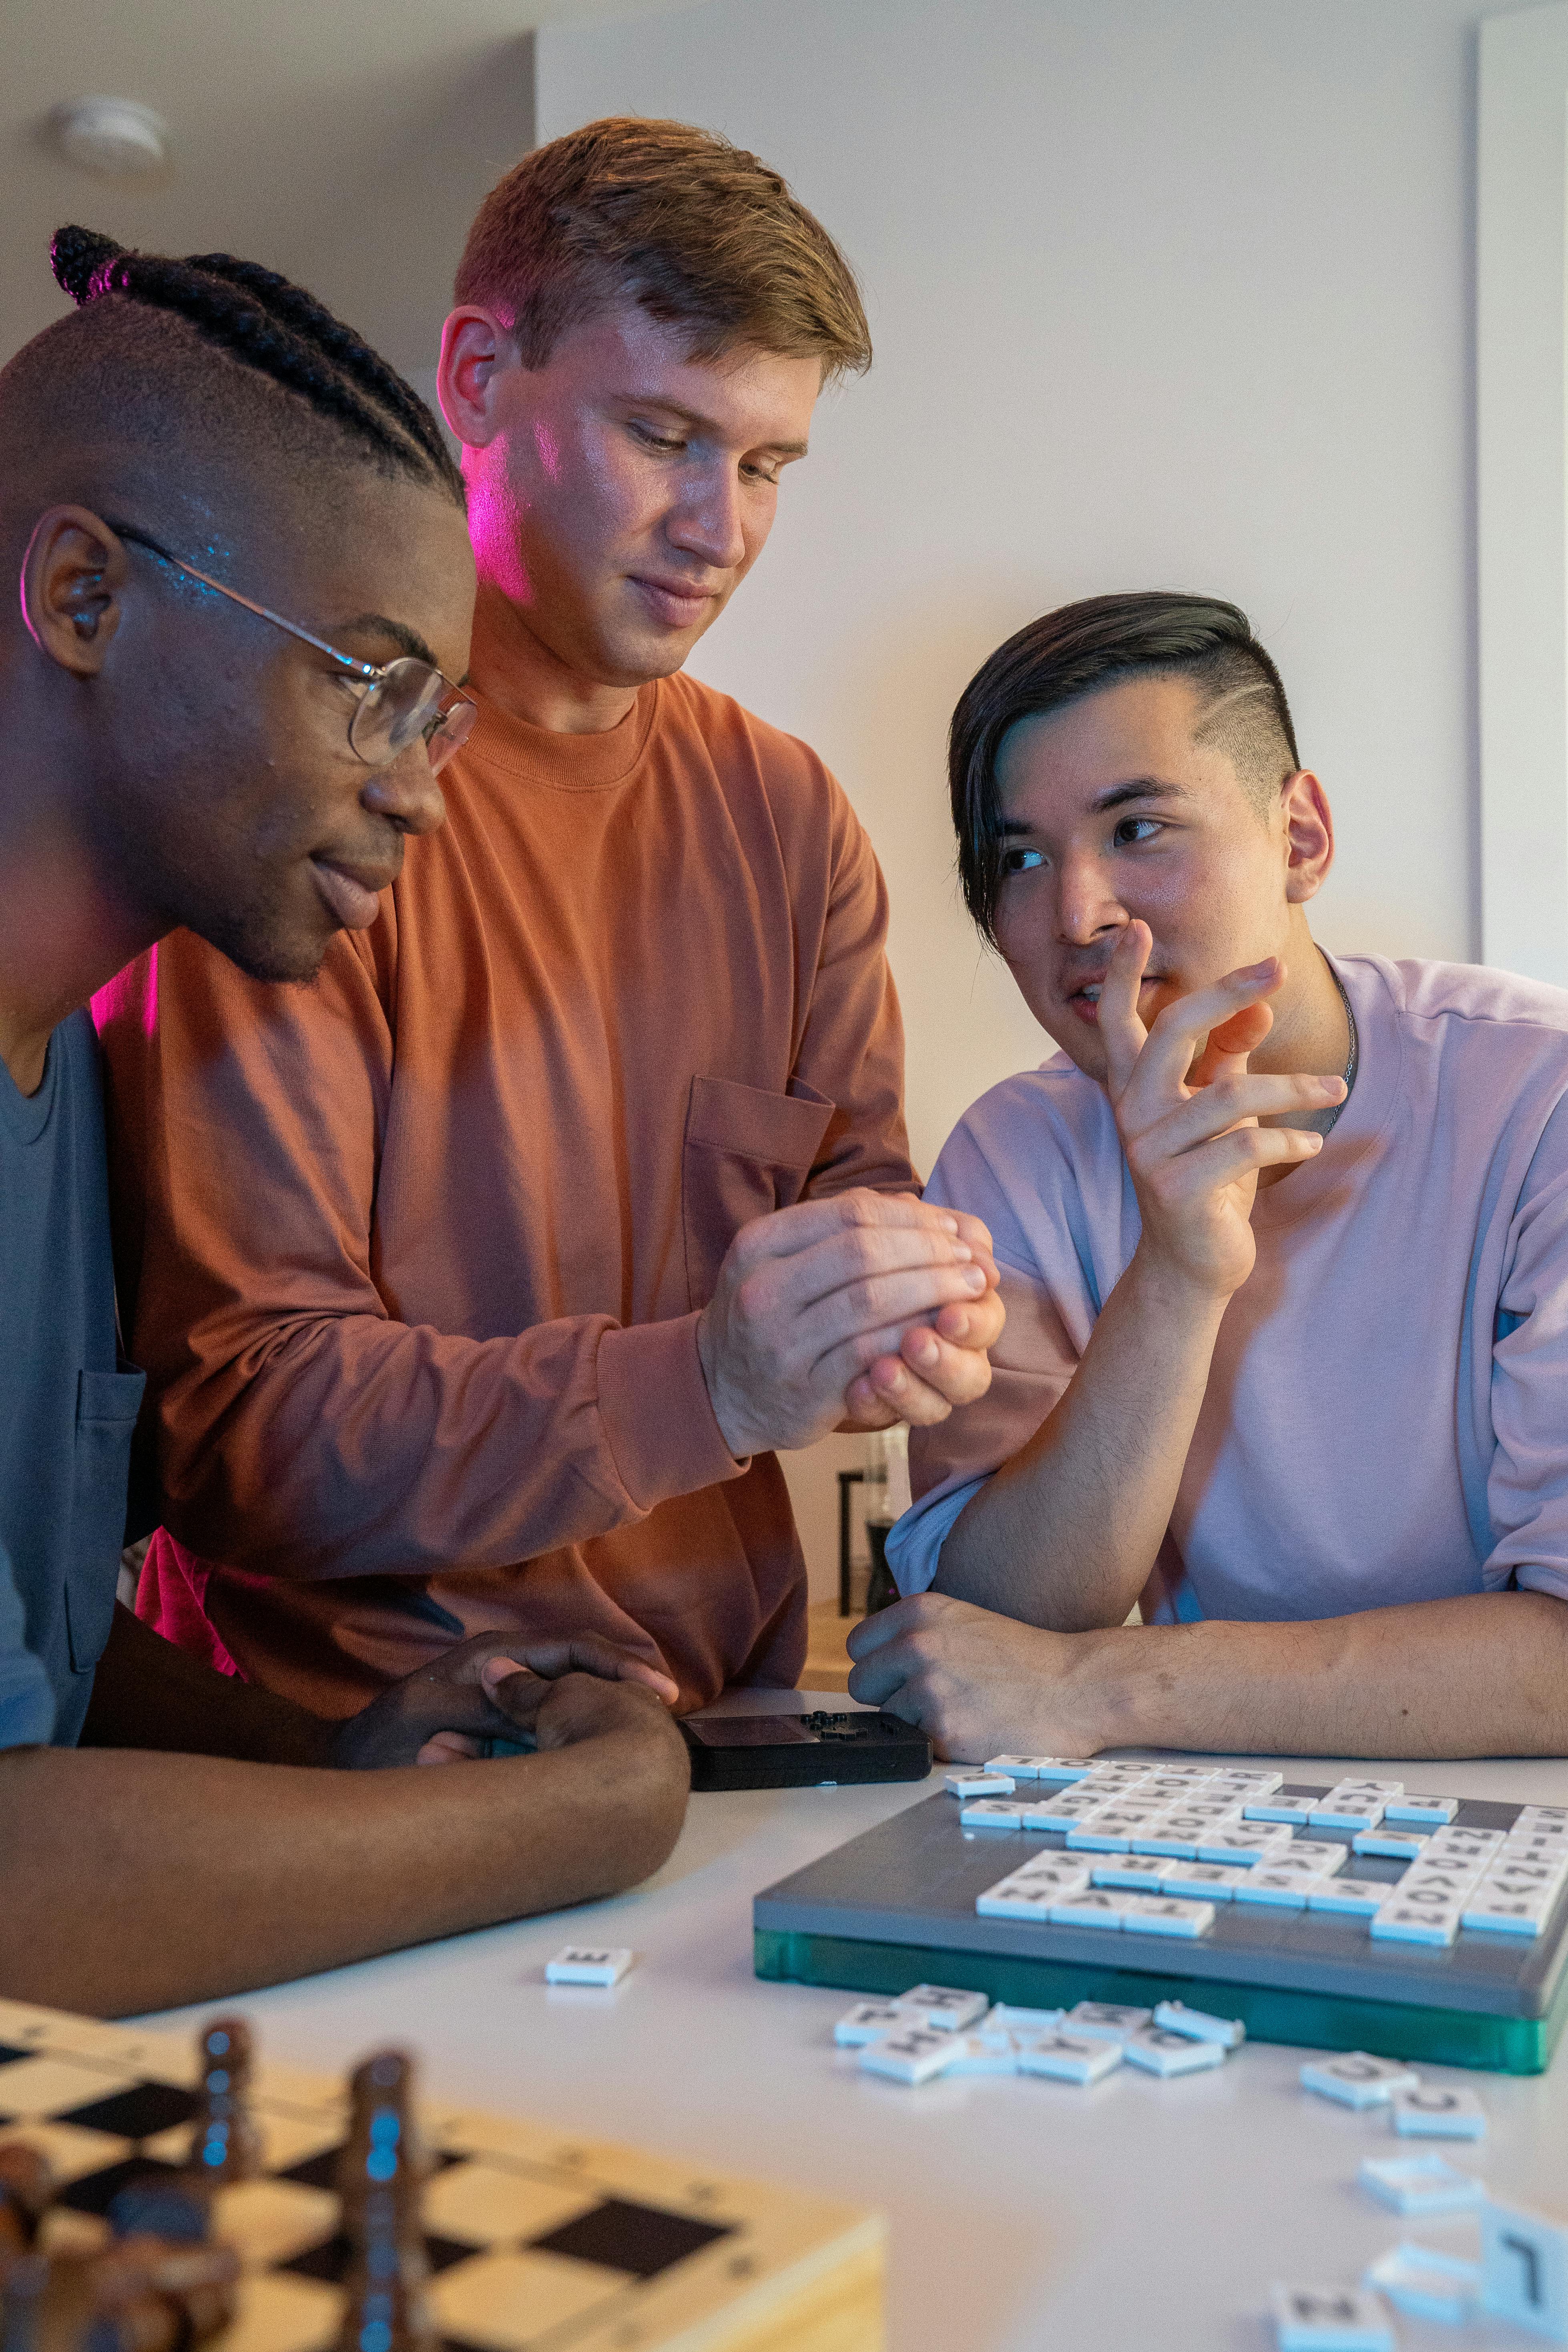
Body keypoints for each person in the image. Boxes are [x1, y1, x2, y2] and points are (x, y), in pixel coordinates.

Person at [94, 119, 1004, 1720]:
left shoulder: (789, 824)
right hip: (363, 1771)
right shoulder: (293, 797)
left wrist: (893, 1318)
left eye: (767, 463)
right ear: (472, 379)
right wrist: (706, 1378)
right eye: (662, 433)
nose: (720, 528)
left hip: (723, 1734)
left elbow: (849, 1209)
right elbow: (241, 1425)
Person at [0, 226, 692, 2019]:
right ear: (84, 597)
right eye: (370, 683)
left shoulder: (65, 1068)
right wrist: (581, 1821)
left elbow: (41, 1663)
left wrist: (342, 1752)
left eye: (443, 714)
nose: (423, 790)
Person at [846, 591, 1568, 1761]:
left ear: (1300, 838)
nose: (1078, 912)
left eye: (1138, 829)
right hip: (1210, 1814)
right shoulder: (1011, 1153)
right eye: (1021, 857)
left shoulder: (1540, 1102)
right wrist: (1177, 1273)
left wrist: (1106, 1688)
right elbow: (990, 1633)